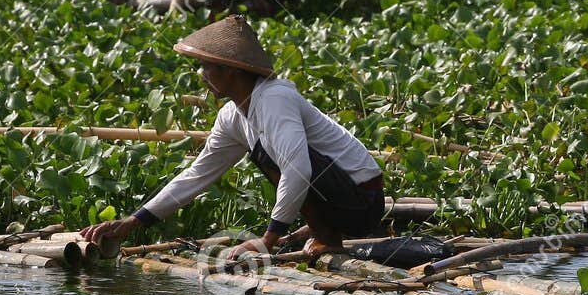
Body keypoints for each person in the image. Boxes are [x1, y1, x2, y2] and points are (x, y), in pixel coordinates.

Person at [81, 16, 386, 258]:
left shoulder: (274, 98)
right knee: (267, 153)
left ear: (232, 71)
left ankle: (328, 238)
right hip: (336, 196)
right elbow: (198, 174)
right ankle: (322, 232)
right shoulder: (232, 115)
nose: (202, 76)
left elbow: (299, 170)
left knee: (280, 158)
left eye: (207, 67)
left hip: (363, 202)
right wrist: (133, 222)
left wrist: (267, 240)